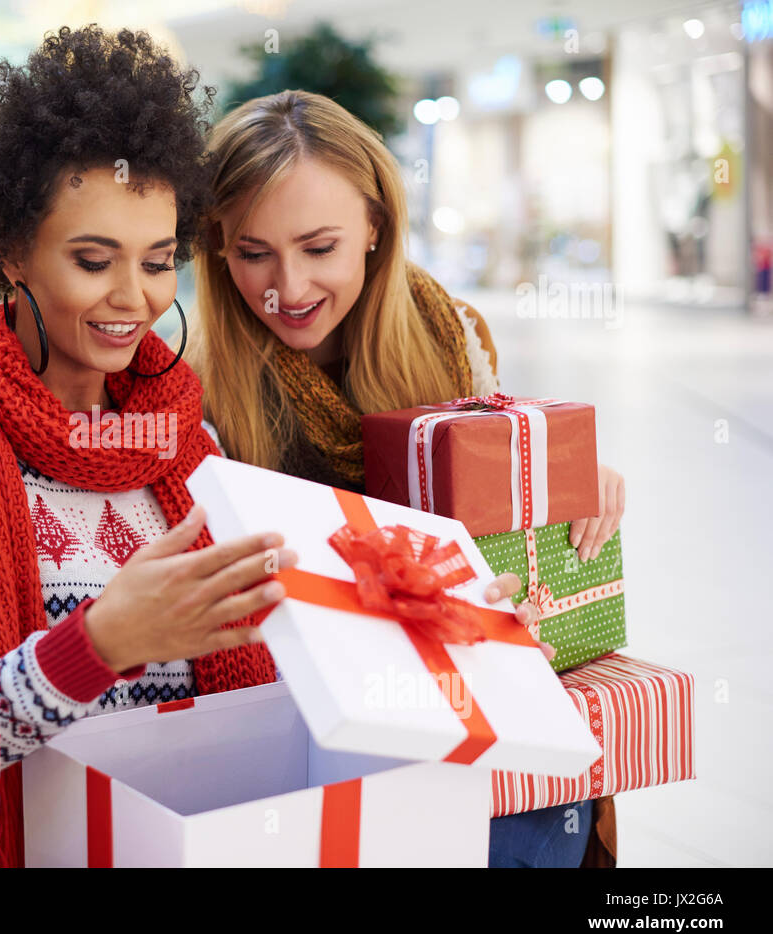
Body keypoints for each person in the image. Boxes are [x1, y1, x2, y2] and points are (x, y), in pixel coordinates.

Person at [0, 27, 538, 868]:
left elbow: (292, 687)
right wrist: (101, 642)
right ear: (12, 251)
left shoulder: (196, 447)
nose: (133, 298)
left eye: (156, 262)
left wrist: (461, 627)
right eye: (91, 259)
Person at [189, 89, 623, 866]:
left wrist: (564, 490)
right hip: (316, 735)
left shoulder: (451, 337)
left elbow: (500, 514)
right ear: (218, 246)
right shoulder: (198, 387)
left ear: (375, 227)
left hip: (475, 714)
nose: (286, 287)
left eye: (319, 247)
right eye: (253, 252)